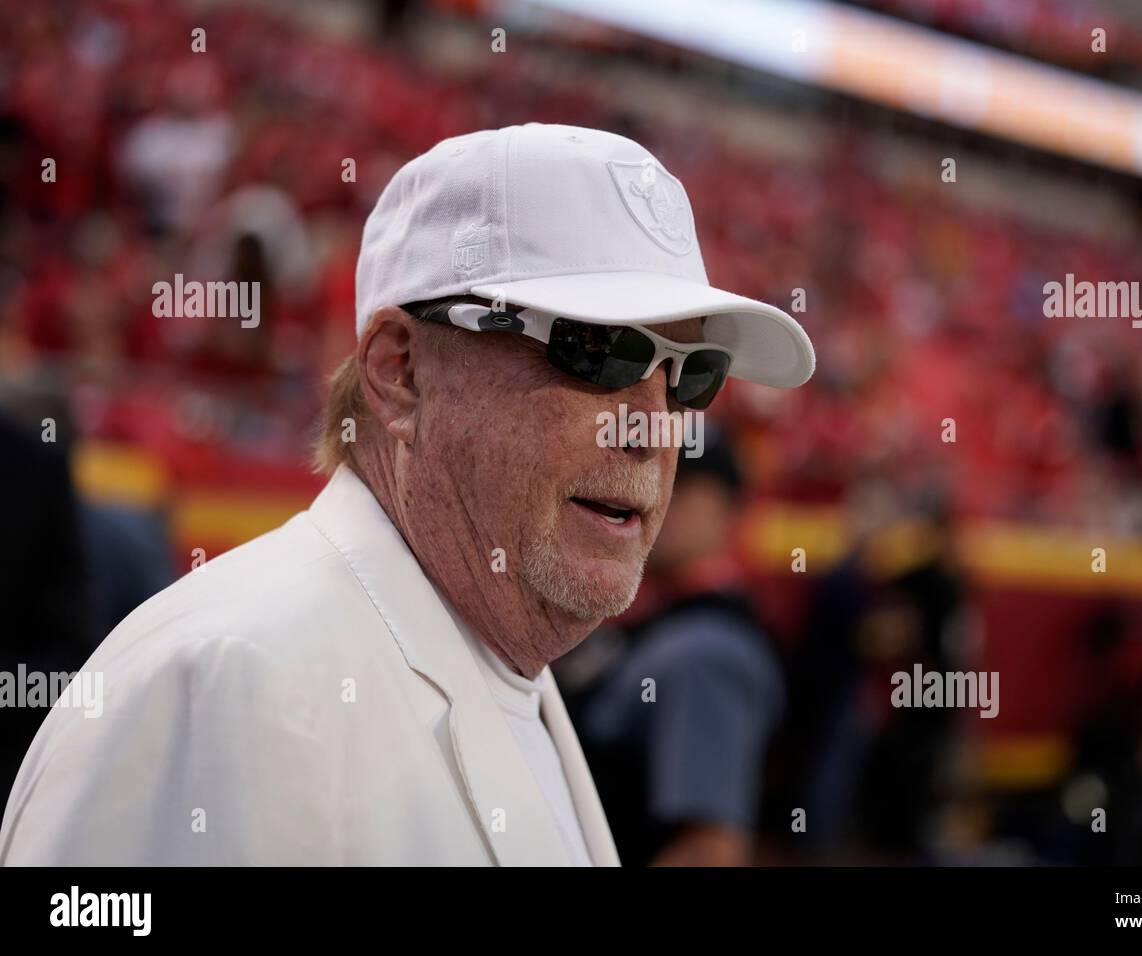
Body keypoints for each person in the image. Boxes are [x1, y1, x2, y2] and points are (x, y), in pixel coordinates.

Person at [0, 123, 814, 865]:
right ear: (401, 371)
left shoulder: (511, 670)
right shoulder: (225, 689)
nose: (652, 427)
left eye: (689, 374)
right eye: (598, 352)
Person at [568, 438, 785, 866]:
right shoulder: (644, 623)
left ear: (730, 512)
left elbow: (709, 851)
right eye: (647, 475)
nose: (655, 495)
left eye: (682, 486)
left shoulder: (704, 652)